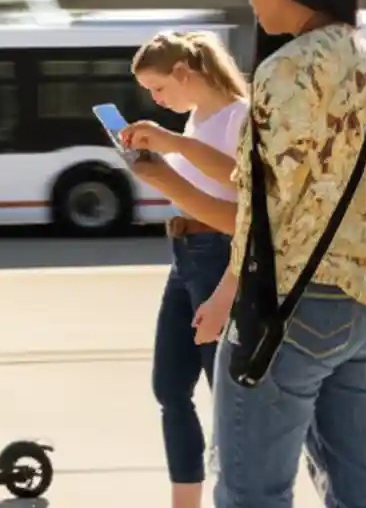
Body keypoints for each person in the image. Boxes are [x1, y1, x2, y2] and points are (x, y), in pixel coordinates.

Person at [130, 0, 366, 508]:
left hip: (292, 312)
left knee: (251, 491)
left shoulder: (285, 71)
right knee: (362, 487)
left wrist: (167, 185)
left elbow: (260, 220)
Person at [118, 30, 249, 508]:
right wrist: (161, 158)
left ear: (183, 72)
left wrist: (172, 147)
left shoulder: (240, 115)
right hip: (186, 253)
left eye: (158, 88)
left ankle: (237, 497)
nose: (155, 99)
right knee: (169, 387)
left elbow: (240, 177)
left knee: (227, 396)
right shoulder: (195, 119)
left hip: (220, 253)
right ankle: (185, 502)